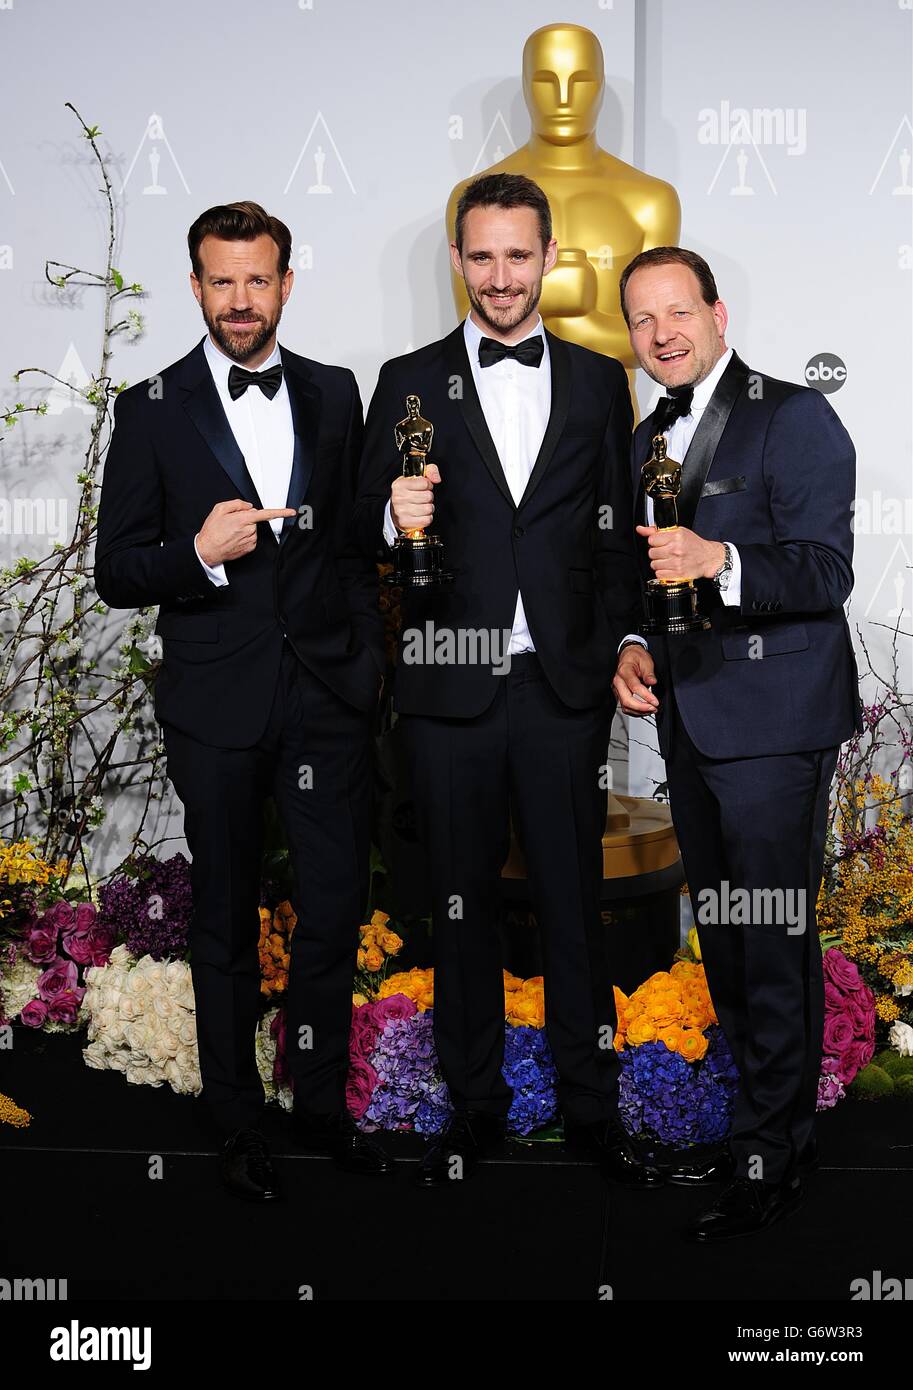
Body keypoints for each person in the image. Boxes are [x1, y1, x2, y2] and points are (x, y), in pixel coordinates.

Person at [353, 173, 662, 1189]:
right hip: (446, 692)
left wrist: (625, 637)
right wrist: (387, 522)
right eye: (480, 256)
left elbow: (616, 533)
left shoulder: (594, 378)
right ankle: (474, 1108)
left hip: (563, 692)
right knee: (459, 906)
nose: (498, 276)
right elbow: (363, 542)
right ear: (456, 259)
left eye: (517, 255)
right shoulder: (404, 378)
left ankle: (589, 1108)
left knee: (573, 904)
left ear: (548, 256)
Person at [95, 201, 391, 1202]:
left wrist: (362, 667)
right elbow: (115, 569)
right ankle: (234, 1116)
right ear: (194, 287)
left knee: (332, 908)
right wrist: (197, 556)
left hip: (325, 700)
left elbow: (353, 545)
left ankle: (319, 1102)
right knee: (224, 915)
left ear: (286, 284)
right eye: (220, 281)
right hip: (216, 705)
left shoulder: (333, 392)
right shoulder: (151, 407)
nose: (239, 299)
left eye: (256, 279)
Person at [613, 246, 862, 1240]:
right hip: (694, 723)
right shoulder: (644, 441)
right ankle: (759, 1125)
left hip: (775, 728)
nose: (662, 333)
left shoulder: (791, 414)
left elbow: (822, 569)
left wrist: (720, 560)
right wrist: (634, 640)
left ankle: (775, 1151)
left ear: (716, 313)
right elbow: (648, 577)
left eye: (677, 312)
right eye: (641, 320)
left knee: (770, 941)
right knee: (724, 940)